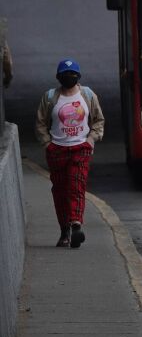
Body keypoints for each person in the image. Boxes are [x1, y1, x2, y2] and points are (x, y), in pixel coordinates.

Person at [35, 59, 104, 248]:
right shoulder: (49, 98)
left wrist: (90, 140)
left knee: (76, 185)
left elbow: (98, 120)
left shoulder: (88, 95)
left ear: (78, 77)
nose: (69, 78)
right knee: (60, 190)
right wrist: (47, 144)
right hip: (56, 150)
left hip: (81, 148)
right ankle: (64, 230)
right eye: (65, 75)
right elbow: (40, 123)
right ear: (59, 78)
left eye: (72, 75)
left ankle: (76, 224)